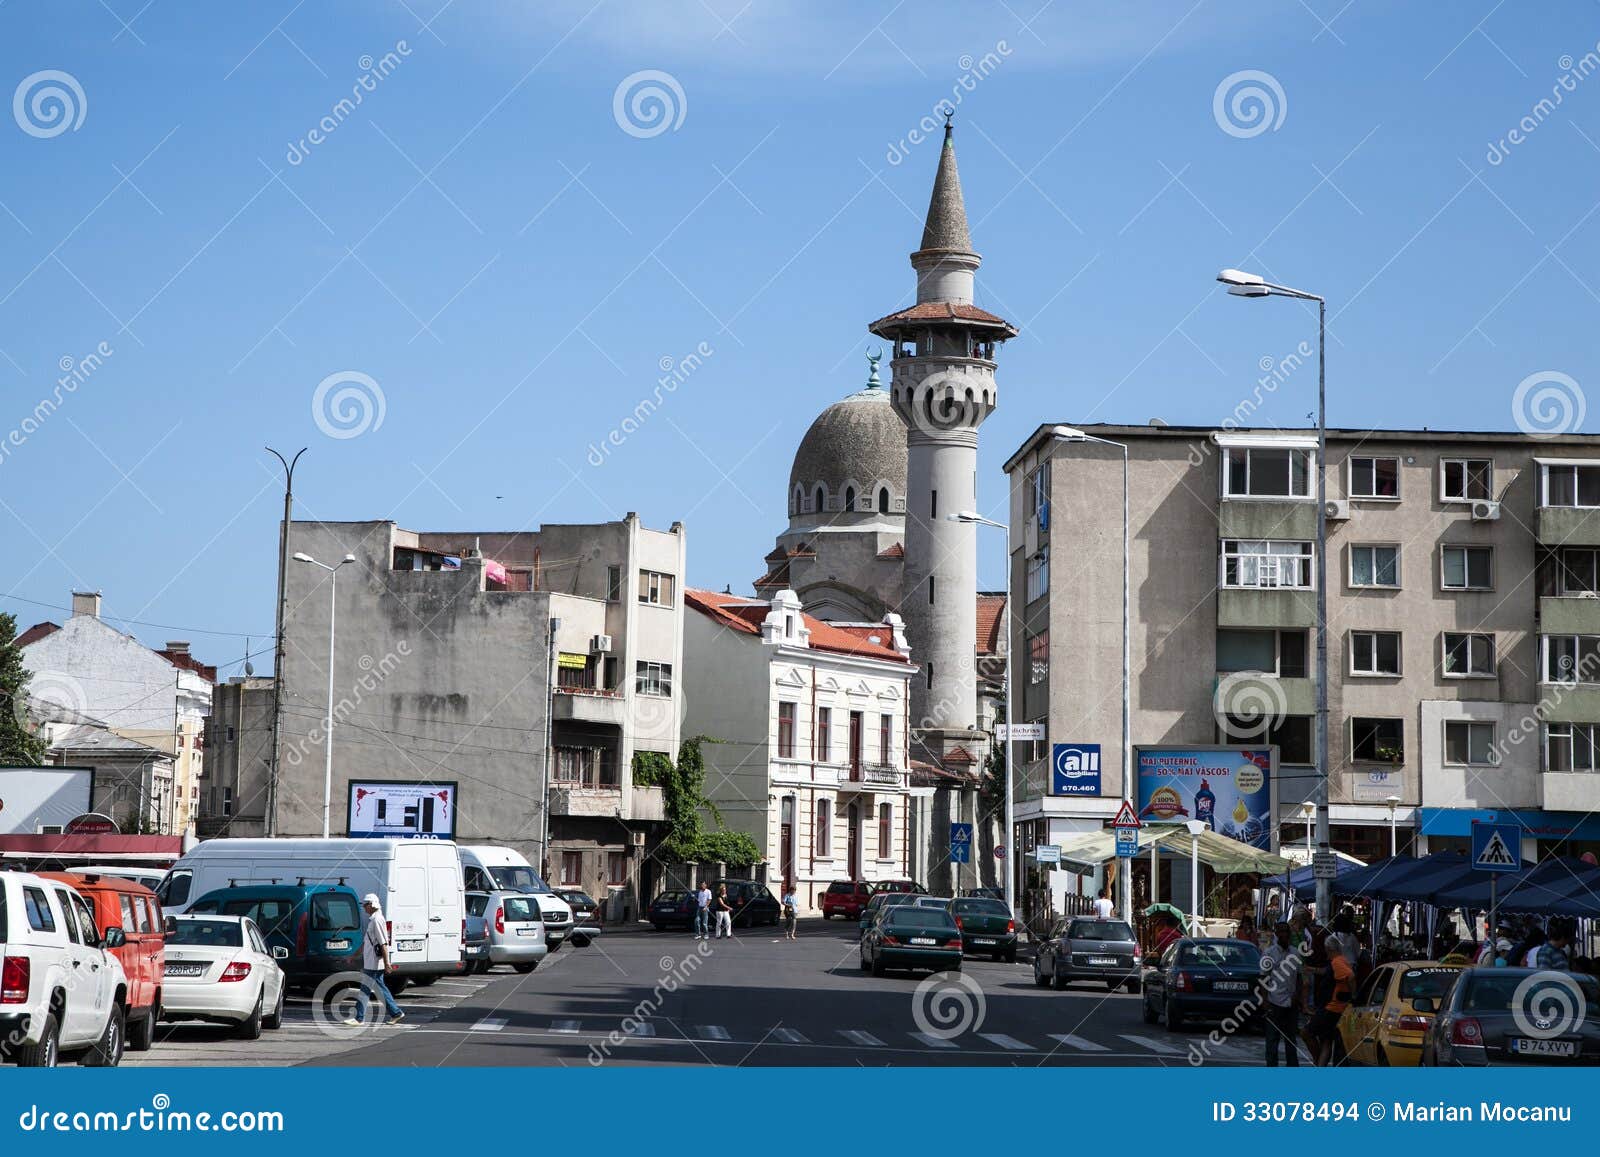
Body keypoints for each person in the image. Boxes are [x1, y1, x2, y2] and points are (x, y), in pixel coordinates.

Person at [354, 893, 405, 1026]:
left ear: (371, 905)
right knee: (380, 989)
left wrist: (387, 963)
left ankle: (359, 1018)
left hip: (374, 963)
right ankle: (396, 1012)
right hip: (372, 962)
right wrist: (354, 955)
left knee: (366, 989)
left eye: (365, 905)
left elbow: (383, 943)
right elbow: (367, 941)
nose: (364, 907)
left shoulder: (377, 920)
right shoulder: (374, 920)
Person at [1259, 921, 1303, 1067]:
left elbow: (1299, 977)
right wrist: (1265, 1002)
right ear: (1277, 934)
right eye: (1282, 932)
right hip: (1274, 1002)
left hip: (1291, 1003)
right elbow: (1263, 978)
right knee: (1272, 1040)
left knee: (1291, 1040)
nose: (1285, 935)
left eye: (1287, 932)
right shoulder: (1269, 953)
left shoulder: (1295, 953)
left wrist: (1298, 995)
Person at [1305, 937, 1353, 1067]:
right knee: (1326, 1041)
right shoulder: (1336, 962)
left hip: (1331, 1008)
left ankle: (1317, 1059)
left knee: (1307, 1032)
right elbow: (1327, 972)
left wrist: (1352, 995)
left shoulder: (1337, 962)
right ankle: (1320, 1065)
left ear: (1329, 949)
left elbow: (1350, 976)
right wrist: (1311, 969)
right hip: (1332, 1007)